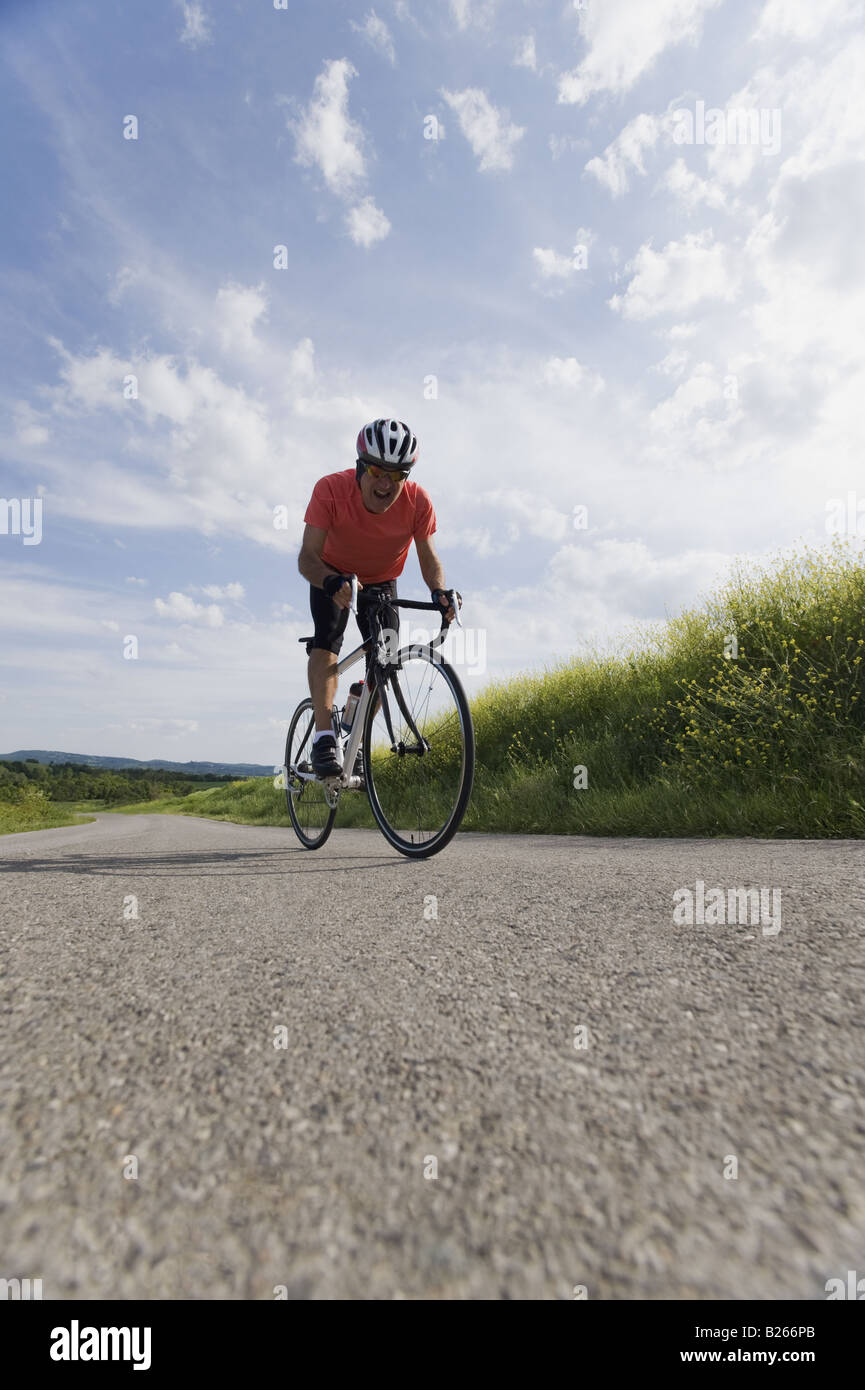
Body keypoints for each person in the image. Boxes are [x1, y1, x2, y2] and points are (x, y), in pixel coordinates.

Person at [298, 418, 458, 778]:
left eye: (397, 475)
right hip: (333, 572)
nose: (385, 483)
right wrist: (329, 581)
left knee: (385, 659)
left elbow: (429, 557)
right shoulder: (330, 490)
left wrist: (439, 592)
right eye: (376, 470)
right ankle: (324, 736)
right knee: (327, 640)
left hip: (381, 578)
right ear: (360, 466)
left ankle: (355, 731)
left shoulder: (418, 502)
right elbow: (307, 557)